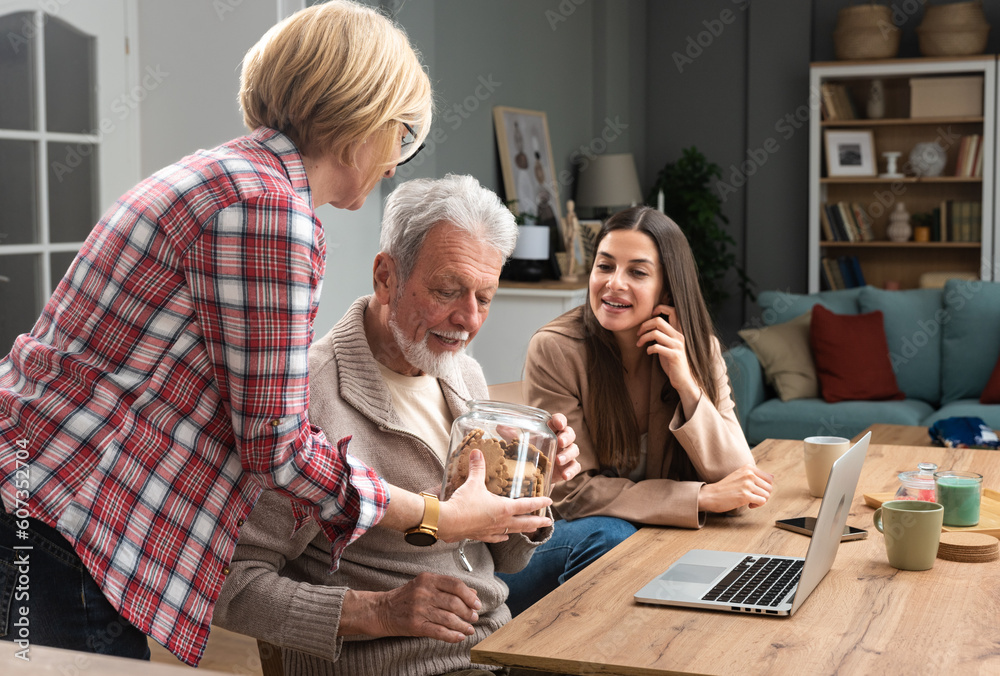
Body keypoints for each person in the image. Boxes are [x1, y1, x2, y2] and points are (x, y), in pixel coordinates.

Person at [0, 3, 552, 667]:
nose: (395, 163)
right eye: (400, 134)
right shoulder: (267, 211)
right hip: (56, 519)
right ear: (359, 119)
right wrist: (435, 517)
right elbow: (278, 451)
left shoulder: (229, 176)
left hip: (38, 494)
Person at [212, 174, 581, 676]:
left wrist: (535, 489)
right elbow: (230, 586)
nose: (468, 319)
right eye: (447, 290)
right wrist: (378, 612)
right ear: (386, 276)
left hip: (495, 648)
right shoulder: (306, 397)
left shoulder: (462, 375)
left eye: (485, 297)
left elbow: (506, 559)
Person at [498, 206, 774, 616]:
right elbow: (571, 494)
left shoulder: (698, 351)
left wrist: (686, 383)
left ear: (667, 289)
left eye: (637, 272)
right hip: (563, 543)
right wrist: (698, 498)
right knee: (612, 535)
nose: (613, 283)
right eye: (604, 266)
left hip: (650, 545)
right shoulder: (557, 349)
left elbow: (738, 483)